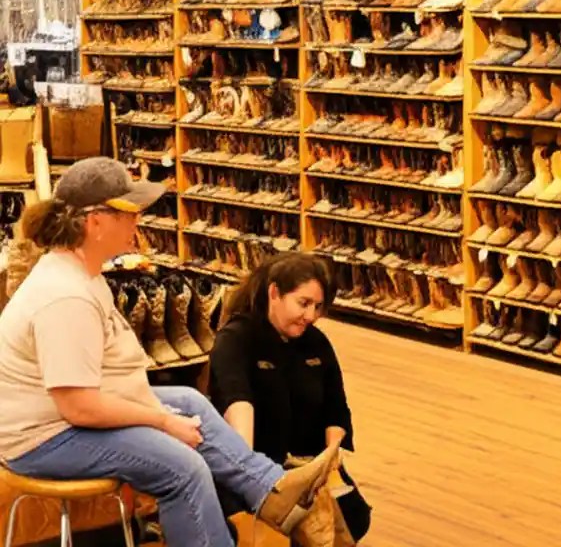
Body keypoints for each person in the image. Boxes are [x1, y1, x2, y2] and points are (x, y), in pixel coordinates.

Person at [0, 157, 340, 547]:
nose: (138, 222)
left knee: (188, 400)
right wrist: (162, 421)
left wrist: (164, 414)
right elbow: (79, 407)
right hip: (45, 440)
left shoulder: (80, 275)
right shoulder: (66, 298)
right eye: (129, 214)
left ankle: (274, 492)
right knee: (183, 468)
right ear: (95, 223)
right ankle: (269, 504)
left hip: (59, 419)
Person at [210, 252, 371, 542]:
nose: (311, 316)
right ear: (274, 293)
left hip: (308, 467)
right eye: (303, 303)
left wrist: (329, 463)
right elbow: (237, 401)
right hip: (259, 466)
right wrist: (248, 467)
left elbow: (336, 408)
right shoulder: (237, 338)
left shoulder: (316, 343)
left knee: (354, 515)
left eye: (318, 307)